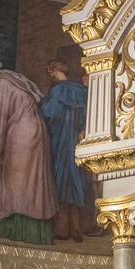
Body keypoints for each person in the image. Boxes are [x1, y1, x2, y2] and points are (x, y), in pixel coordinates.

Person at [0, 53, 57, 246]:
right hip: (36, 131)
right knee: (32, 181)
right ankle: (36, 232)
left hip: (20, 135)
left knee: (15, 181)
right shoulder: (11, 80)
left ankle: (14, 228)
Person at [40, 58, 87, 241]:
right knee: (75, 181)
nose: (49, 76)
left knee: (60, 180)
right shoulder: (80, 90)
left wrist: (42, 103)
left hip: (60, 141)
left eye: (49, 72)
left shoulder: (58, 90)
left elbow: (49, 113)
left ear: (53, 71)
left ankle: (61, 229)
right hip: (75, 141)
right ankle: (76, 229)